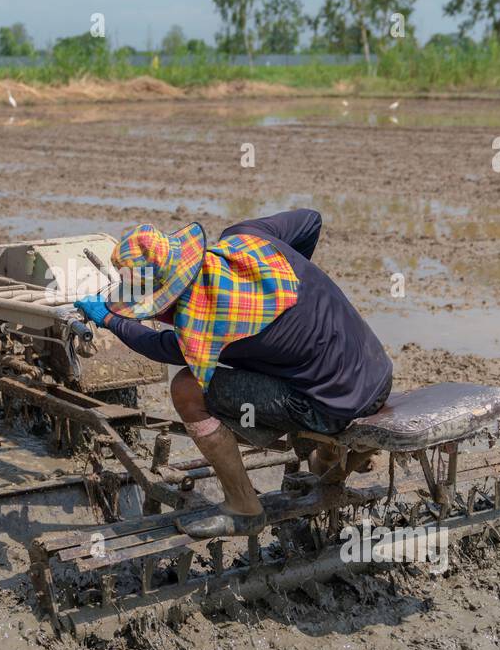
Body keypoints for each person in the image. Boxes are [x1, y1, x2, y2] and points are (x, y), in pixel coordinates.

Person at [75, 210, 392, 538]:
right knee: (280, 362)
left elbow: (155, 345)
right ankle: (331, 460)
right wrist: (297, 289)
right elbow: (311, 220)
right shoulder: (249, 236)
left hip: (330, 408)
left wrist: (110, 319)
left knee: (186, 388)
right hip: (377, 376)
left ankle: (243, 507)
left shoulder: (206, 329)